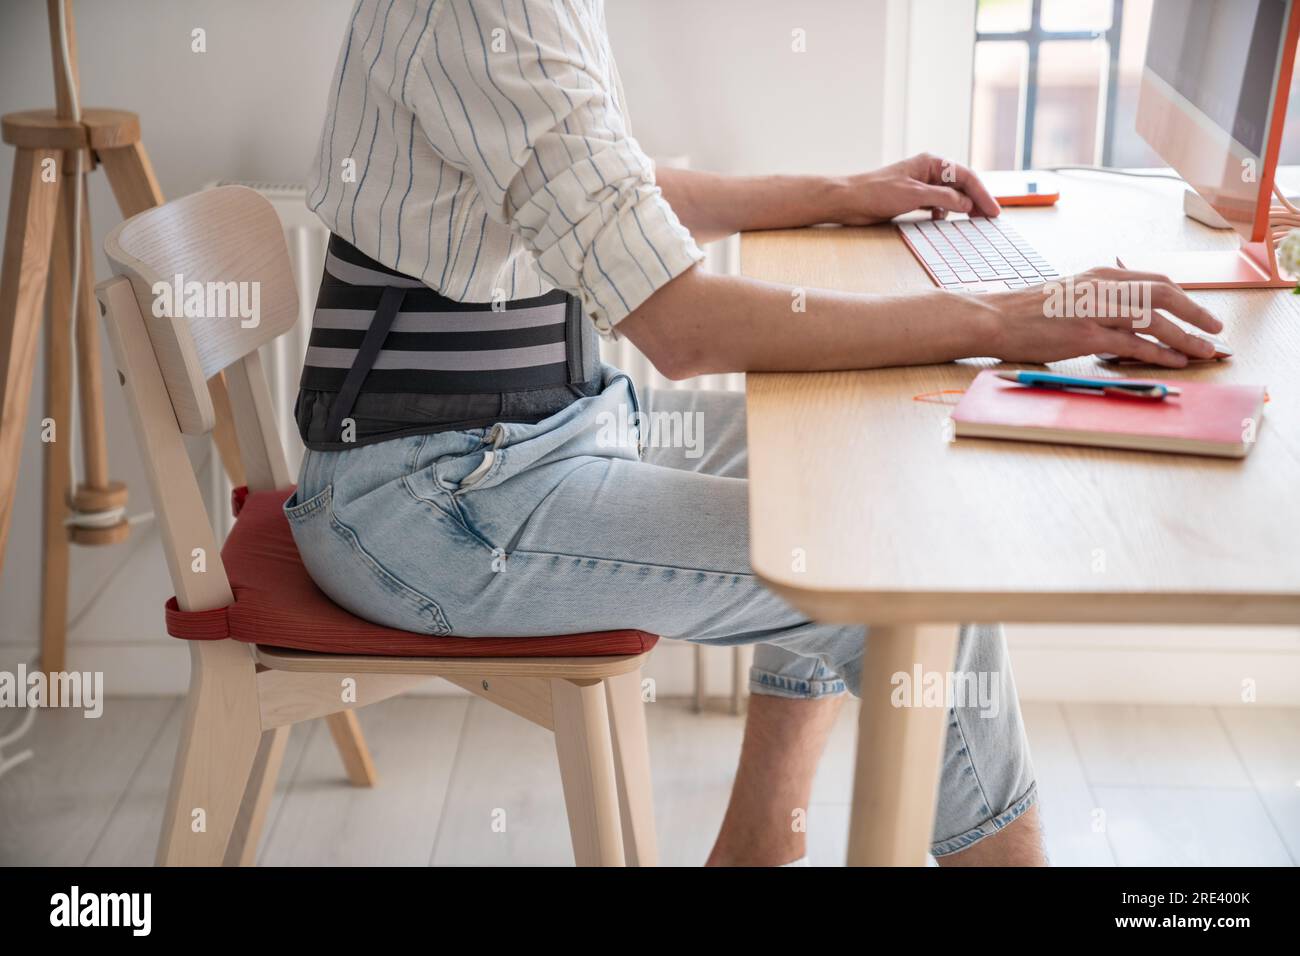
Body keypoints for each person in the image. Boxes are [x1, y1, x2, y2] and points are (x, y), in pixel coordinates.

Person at [292, 0, 1223, 866]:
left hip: (537, 438)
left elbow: (611, 189)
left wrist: (839, 191)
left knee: (843, 456)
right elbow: (684, 330)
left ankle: (755, 846)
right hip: (431, 503)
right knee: (910, 571)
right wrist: (996, 320)